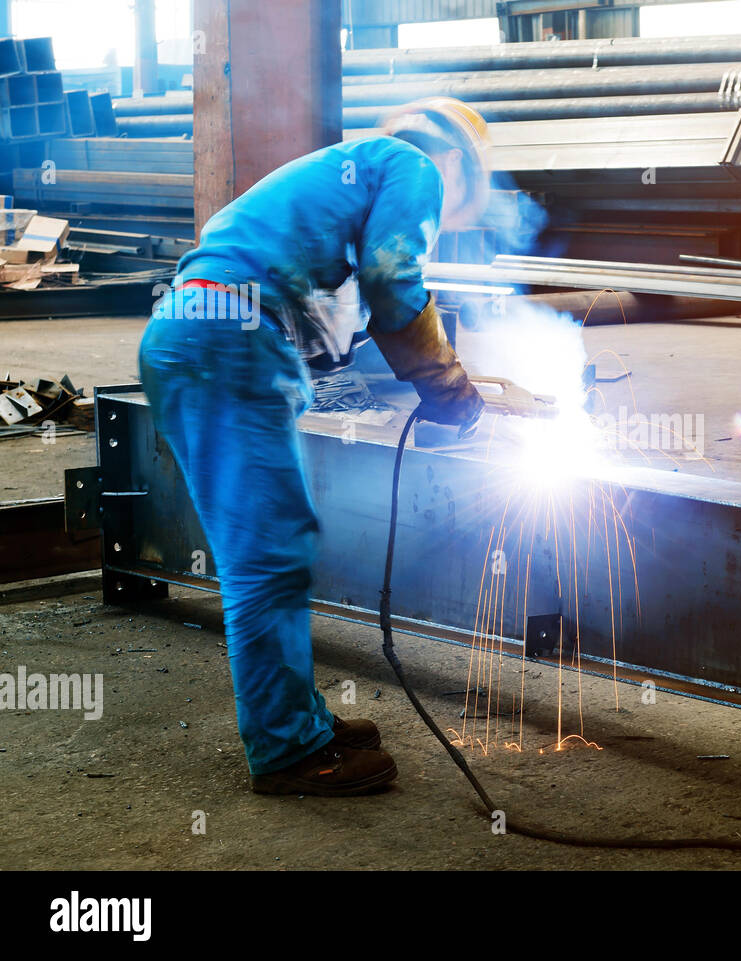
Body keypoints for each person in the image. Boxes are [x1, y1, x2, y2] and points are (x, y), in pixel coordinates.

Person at [138, 99, 490, 796]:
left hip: (196, 335)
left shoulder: (346, 172)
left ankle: (300, 719)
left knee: (273, 544)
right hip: (229, 341)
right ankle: (289, 750)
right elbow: (393, 276)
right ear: (455, 160)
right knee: (268, 556)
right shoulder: (415, 165)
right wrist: (446, 383)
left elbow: (342, 308)